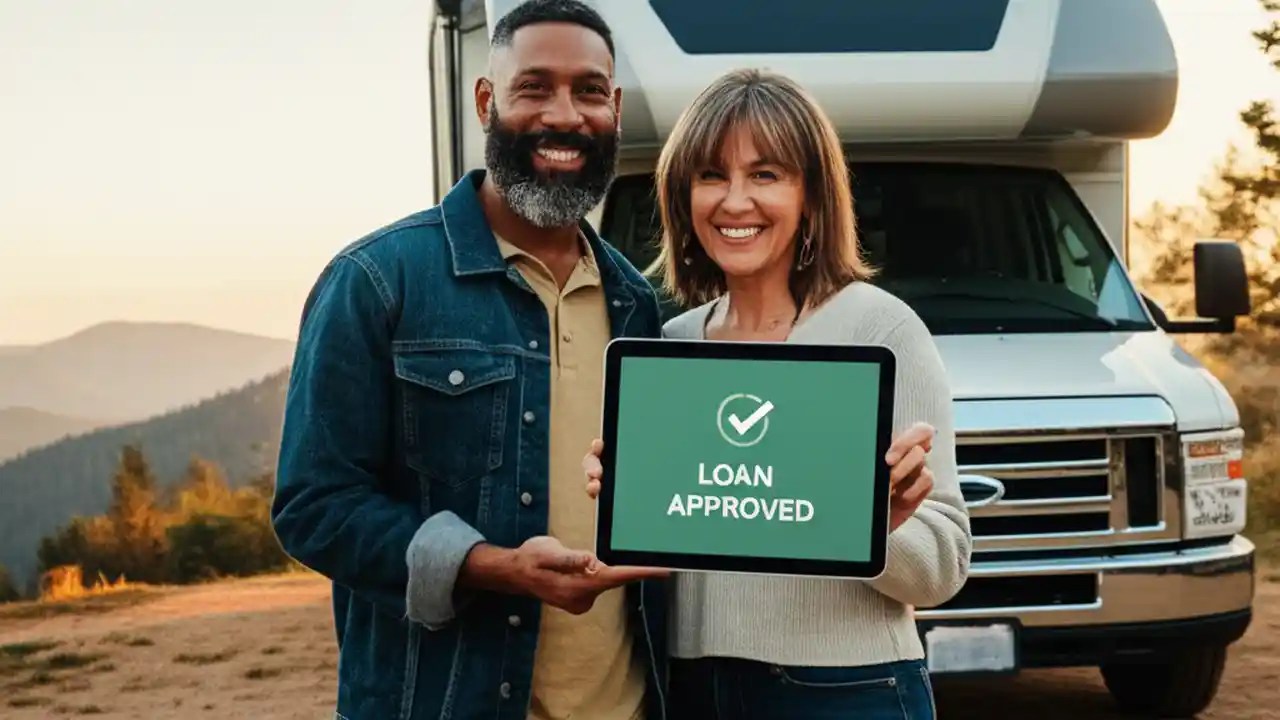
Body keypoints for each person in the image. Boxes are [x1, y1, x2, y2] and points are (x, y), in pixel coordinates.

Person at [271, 1, 669, 719]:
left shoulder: (635, 302)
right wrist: (496, 568)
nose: (564, 115)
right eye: (534, 87)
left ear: (613, 107)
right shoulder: (377, 279)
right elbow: (314, 507)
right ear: (486, 100)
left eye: (588, 91)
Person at [582, 68, 972, 719]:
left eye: (766, 174)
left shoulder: (879, 329)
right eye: (711, 175)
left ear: (813, 196)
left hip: (848, 689)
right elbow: (689, 525)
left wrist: (874, 526)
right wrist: (625, 499)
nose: (735, 201)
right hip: (695, 688)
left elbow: (944, 567)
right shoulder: (670, 349)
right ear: (682, 198)